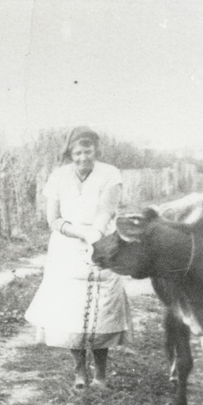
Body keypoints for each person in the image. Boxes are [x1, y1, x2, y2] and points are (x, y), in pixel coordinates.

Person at [25, 126, 132, 388]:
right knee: (70, 312)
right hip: (66, 247)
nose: (83, 157)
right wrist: (80, 234)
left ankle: (101, 374)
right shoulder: (58, 176)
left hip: (103, 246)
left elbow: (106, 212)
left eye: (88, 151)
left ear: (96, 150)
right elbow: (53, 219)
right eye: (77, 152)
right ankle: (79, 371)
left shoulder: (110, 174)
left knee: (102, 310)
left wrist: (94, 238)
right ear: (69, 153)